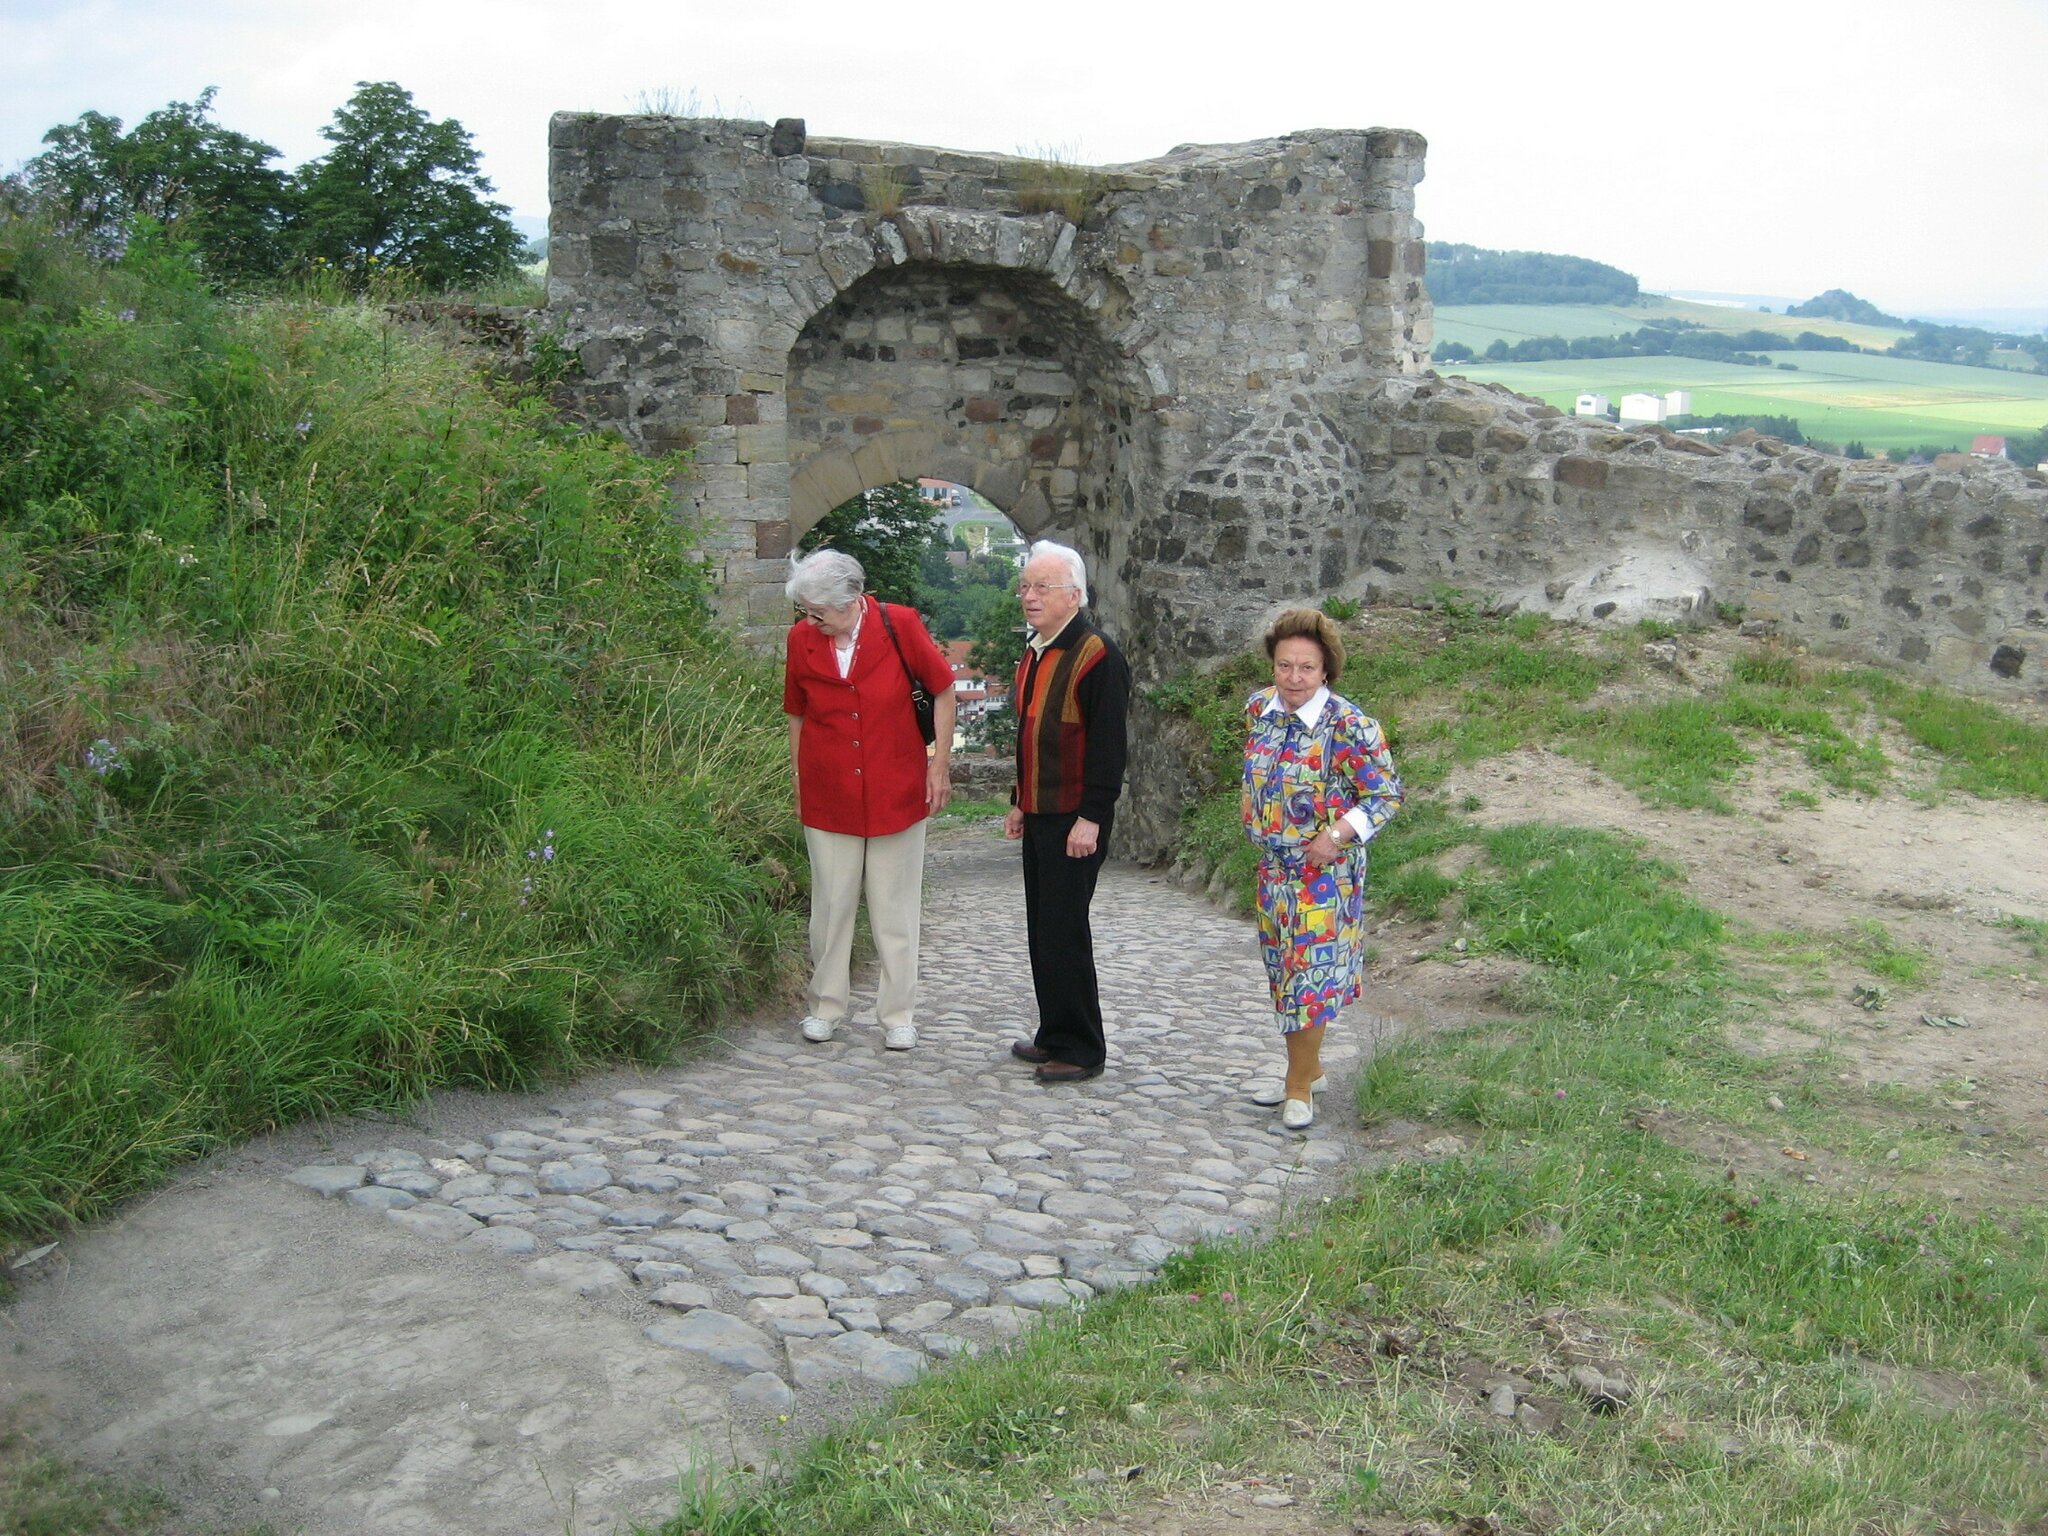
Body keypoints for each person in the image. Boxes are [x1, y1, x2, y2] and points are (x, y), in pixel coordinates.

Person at [783, 548, 957, 1051]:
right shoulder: (801, 639)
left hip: (896, 788)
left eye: (819, 613)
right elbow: (796, 710)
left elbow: (943, 690)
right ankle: (825, 1007)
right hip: (828, 790)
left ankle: (898, 1014)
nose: (811, 622)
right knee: (831, 906)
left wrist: (939, 765)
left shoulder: (899, 624)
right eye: (806, 612)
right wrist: (798, 778)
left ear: (850, 601)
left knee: (894, 908)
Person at [1240, 607, 1402, 1128]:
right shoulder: (1259, 710)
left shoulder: (1350, 725)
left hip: (1324, 874)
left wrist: (1335, 836)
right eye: (1284, 666)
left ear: (1326, 669)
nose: (1294, 678)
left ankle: (1297, 1087)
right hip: (1274, 870)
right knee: (1284, 974)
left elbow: (1384, 795)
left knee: (1308, 977)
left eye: (1306, 668)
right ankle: (1308, 1070)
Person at [1002, 541, 1130, 1084]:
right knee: (1043, 927)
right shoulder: (1037, 650)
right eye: (1025, 587)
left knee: (1065, 929)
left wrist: (1092, 817)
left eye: (1042, 587)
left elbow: (1109, 745)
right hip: (1041, 811)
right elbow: (1031, 734)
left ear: (1074, 596)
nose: (1029, 596)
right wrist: (1018, 801)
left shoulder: (1097, 655)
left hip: (1074, 816)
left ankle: (1082, 1049)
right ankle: (1055, 1033)